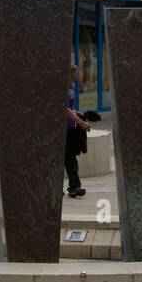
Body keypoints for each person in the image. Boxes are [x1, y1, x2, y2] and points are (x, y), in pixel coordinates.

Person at [65, 65, 91, 198]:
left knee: (70, 157)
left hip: (70, 127)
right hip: (60, 130)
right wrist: (80, 122)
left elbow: (70, 107)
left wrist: (77, 113)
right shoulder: (63, 86)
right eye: (78, 73)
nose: (79, 75)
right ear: (72, 72)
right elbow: (64, 108)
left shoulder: (71, 87)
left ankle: (74, 187)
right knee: (61, 158)